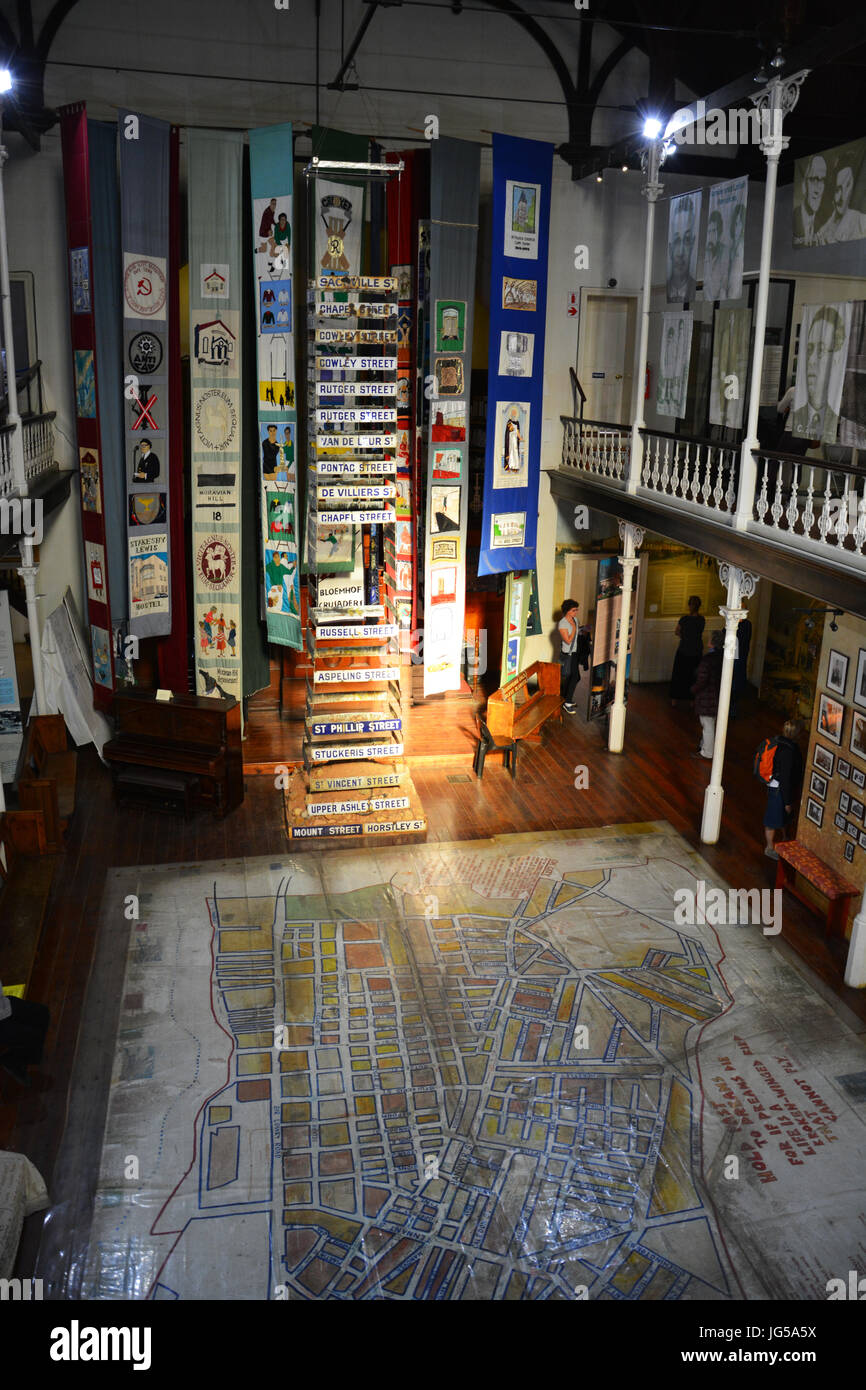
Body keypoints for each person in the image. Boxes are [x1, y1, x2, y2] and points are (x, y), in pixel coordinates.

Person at [790, 305, 847, 441]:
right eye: (809, 350)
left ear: (836, 359)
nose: (812, 361)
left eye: (821, 350)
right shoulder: (800, 412)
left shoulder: (836, 411)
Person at [762, 719, 804, 858]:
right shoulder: (789, 751)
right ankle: (769, 848)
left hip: (776, 785)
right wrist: (787, 801)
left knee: (780, 817)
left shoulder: (779, 742)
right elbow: (785, 777)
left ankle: (785, 840)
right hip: (779, 788)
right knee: (772, 819)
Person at [0, 981, 50, 1087]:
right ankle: (12, 1061)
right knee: (33, 1039)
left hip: (4, 1005)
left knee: (42, 1013)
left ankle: (23, 1055)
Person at [691, 629, 724, 759]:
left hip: (708, 696)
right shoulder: (723, 657)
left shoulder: (708, 660)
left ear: (711, 642)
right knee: (711, 723)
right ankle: (704, 746)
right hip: (717, 695)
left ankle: (707, 752)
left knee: (707, 724)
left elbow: (702, 680)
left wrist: (693, 689)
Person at [817, 165, 866, 245]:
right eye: (838, 190)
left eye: (847, 187)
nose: (842, 197)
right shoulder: (824, 228)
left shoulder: (861, 223)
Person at [670, 595, 705, 704]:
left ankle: (675, 699)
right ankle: (691, 700)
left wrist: (684, 637)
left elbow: (677, 631)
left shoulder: (684, 619)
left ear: (689, 605)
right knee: (693, 676)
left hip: (684, 650)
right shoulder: (701, 620)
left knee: (679, 675)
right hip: (696, 651)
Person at [792, 155, 826, 247]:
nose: (817, 189)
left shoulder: (821, 227)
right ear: (804, 186)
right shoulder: (794, 218)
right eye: (813, 179)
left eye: (822, 180)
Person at [558, 599, 581, 713]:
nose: (576, 612)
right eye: (573, 610)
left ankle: (566, 698)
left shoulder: (575, 620)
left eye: (576, 610)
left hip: (575, 652)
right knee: (574, 677)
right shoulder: (563, 623)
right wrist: (574, 629)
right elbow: (567, 641)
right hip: (568, 653)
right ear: (567, 611)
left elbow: (577, 636)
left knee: (574, 677)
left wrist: (580, 629)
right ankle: (567, 702)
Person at [730, 610, 752, 717]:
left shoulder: (746, 625)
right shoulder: (741, 624)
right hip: (733, 658)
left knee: (735, 685)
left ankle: (732, 709)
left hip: (738, 659)